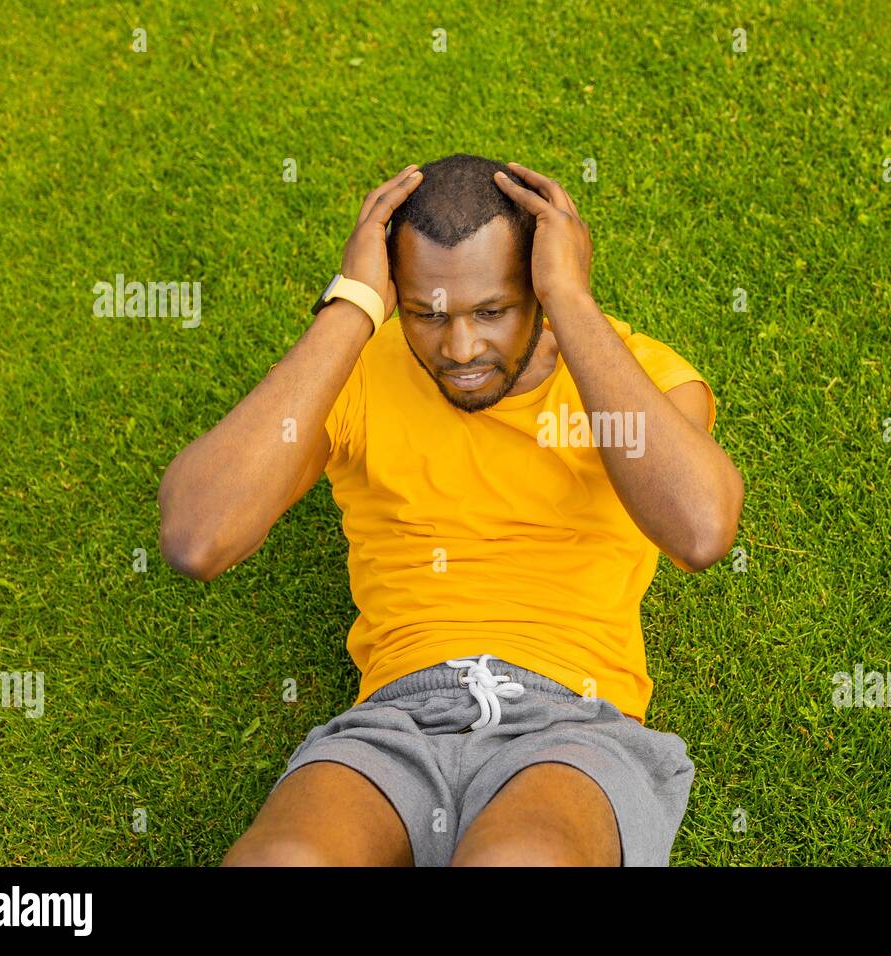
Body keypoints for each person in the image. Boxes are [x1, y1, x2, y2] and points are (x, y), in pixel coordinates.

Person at [157, 153, 745, 866]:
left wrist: (573, 303)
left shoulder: (629, 375)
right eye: (424, 314)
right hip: (395, 724)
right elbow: (196, 537)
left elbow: (702, 530)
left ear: (538, 284)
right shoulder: (359, 371)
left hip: (571, 725)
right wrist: (351, 311)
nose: (460, 348)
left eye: (492, 311)